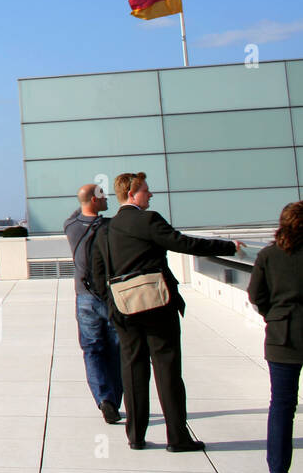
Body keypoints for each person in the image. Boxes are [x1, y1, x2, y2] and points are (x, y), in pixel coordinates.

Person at [91, 172, 239, 452]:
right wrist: (229, 246)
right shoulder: (148, 220)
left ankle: (135, 437)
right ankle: (177, 437)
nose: (150, 195)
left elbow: (97, 274)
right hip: (157, 305)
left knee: (133, 371)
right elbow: (185, 244)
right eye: (146, 190)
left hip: (123, 309)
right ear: (132, 194)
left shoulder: (105, 230)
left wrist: (112, 303)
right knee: (167, 369)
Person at [248, 201, 303, 473]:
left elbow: (256, 294)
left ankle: (277, 470)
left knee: (282, 404)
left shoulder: (268, 255)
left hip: (282, 336)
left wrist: (274, 315)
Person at [64, 184, 124, 424]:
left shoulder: (70, 226)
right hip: (109, 296)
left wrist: (86, 199)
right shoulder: (109, 228)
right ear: (93, 200)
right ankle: (114, 401)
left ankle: (104, 399)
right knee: (116, 350)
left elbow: (76, 210)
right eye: (102, 196)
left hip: (84, 297)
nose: (107, 199)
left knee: (92, 349)